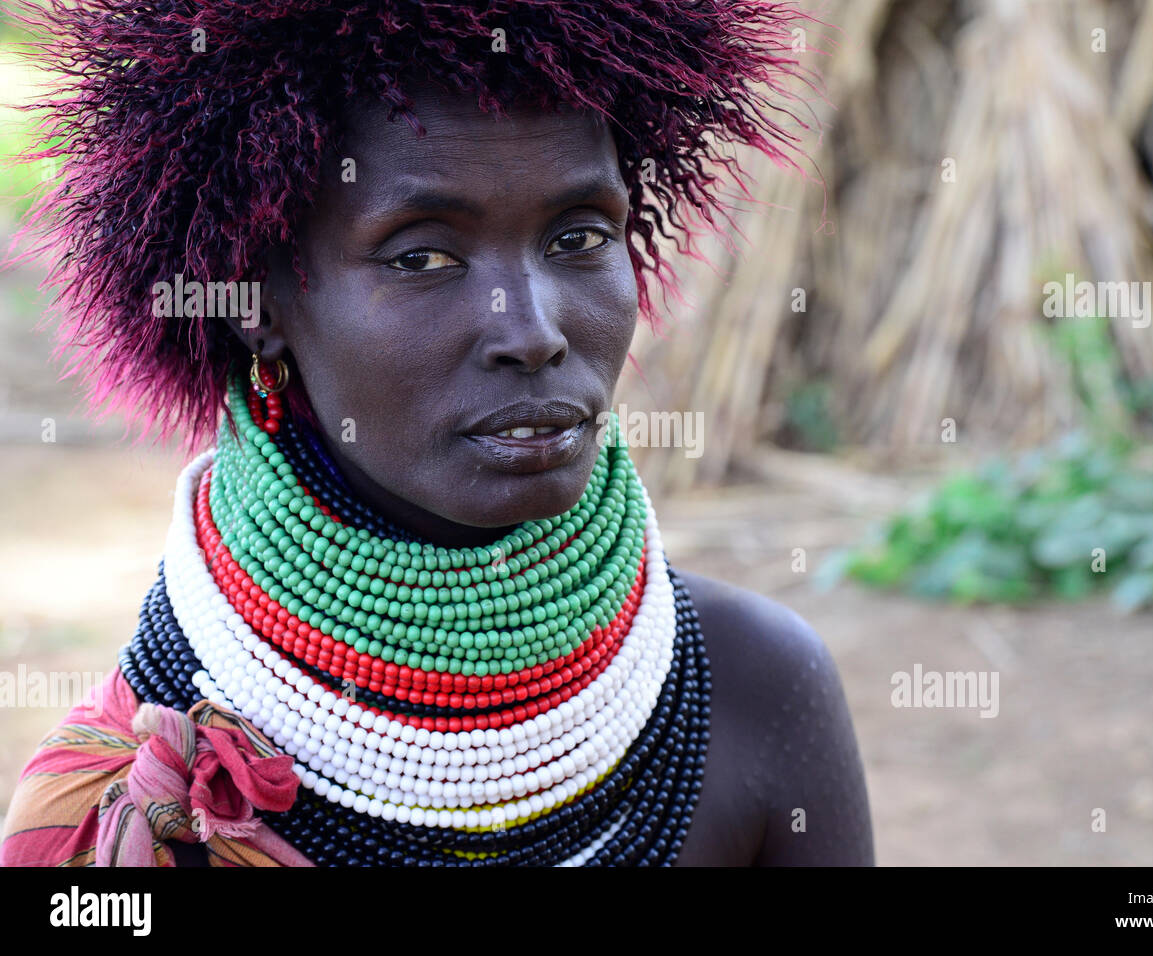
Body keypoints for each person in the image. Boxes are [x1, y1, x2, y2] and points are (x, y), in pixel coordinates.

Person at [1, 0, 872, 866]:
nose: (532, 331)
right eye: (422, 257)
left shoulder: (756, 692)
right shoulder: (138, 810)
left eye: (578, 236)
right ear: (256, 300)